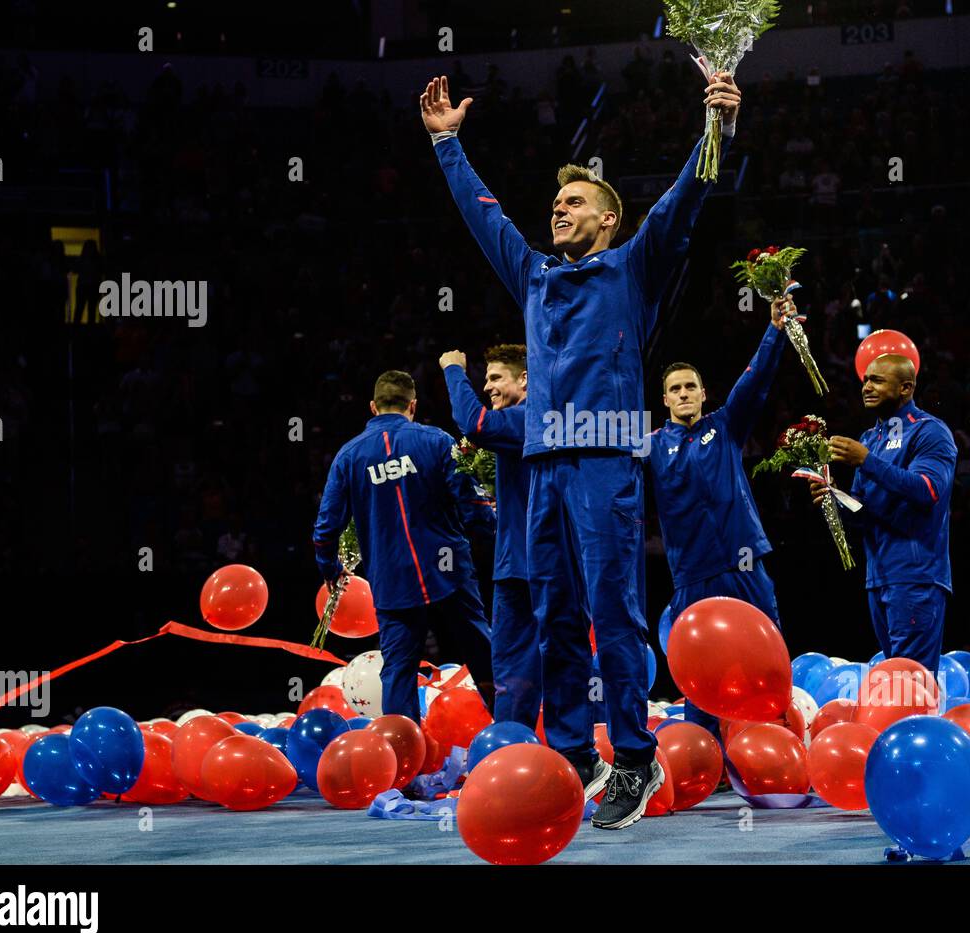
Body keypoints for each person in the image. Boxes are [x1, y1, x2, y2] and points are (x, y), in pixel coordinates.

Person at [420, 66, 741, 829]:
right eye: (556, 202)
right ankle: (573, 752)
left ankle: (634, 755)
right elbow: (482, 216)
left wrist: (717, 131)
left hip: (604, 463)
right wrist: (446, 146)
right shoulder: (532, 274)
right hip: (540, 469)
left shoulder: (633, 266)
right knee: (551, 612)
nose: (557, 209)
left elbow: (684, 201)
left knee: (611, 607)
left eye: (574, 203)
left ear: (606, 221)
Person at [647, 294, 795, 739]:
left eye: (690, 386)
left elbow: (755, 381)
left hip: (743, 559)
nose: (684, 394)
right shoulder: (651, 447)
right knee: (701, 664)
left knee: (767, 651)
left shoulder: (724, 426)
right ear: (666, 400)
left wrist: (774, 330)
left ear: (703, 393)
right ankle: (703, 751)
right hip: (692, 573)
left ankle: (778, 739)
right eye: (675, 389)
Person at [313, 370, 495, 723]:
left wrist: (331, 570)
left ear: (372, 406)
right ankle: (514, 732)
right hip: (448, 571)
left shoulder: (348, 456)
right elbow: (472, 504)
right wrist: (491, 540)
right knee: (481, 650)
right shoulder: (437, 441)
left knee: (398, 669)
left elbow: (324, 530)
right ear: (413, 405)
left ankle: (401, 757)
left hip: (392, 580)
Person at [806, 354, 957, 673]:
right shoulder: (869, 439)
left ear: (906, 388)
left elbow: (927, 491)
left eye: (877, 380)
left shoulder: (930, 432)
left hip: (916, 574)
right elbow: (864, 511)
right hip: (879, 576)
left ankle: (917, 725)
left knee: (909, 680)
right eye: (865, 381)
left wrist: (867, 462)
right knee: (898, 678)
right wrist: (833, 500)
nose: (867, 387)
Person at [439, 344, 541, 726]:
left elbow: (474, 423)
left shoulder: (527, 417)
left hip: (534, 567)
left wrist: (453, 370)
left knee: (526, 666)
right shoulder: (519, 424)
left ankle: (549, 752)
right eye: (486, 379)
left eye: (496, 378)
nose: (488, 387)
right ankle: (515, 749)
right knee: (513, 671)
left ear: (525, 379)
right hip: (515, 564)